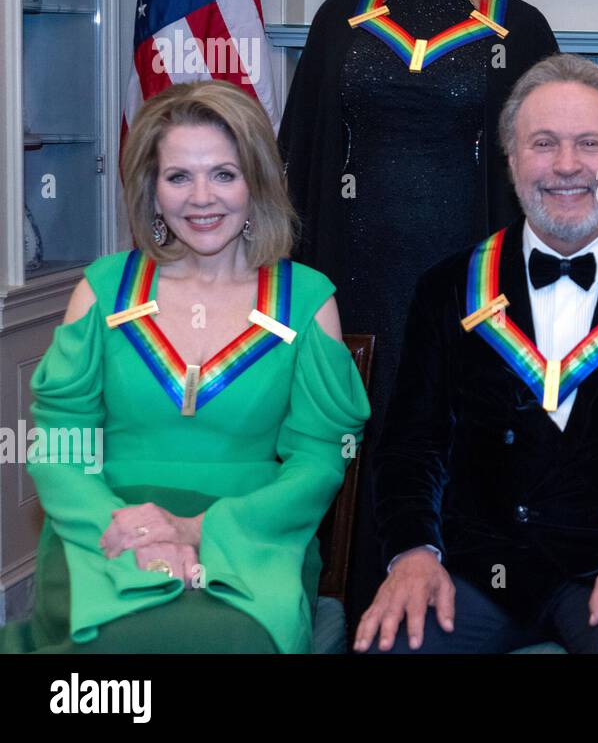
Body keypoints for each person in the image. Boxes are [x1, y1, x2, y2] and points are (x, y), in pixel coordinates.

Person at [355, 55, 598, 655]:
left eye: (589, 144)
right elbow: (411, 444)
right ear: (511, 160)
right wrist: (412, 551)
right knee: (392, 647)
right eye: (543, 144)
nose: (566, 166)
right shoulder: (450, 286)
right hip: (478, 569)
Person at [278, 0, 559, 616]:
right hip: (352, 276)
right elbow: (299, 158)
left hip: (468, 278)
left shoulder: (518, 29)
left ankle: (454, 614)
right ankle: (353, 604)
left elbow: (549, 174)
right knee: (355, 438)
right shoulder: (343, 21)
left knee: (457, 436)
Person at [1, 82, 368, 654]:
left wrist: (200, 531)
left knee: (226, 641)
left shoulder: (307, 299)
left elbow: (319, 463)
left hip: (253, 539)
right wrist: (133, 529)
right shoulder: (101, 290)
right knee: (111, 644)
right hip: (106, 530)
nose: (202, 198)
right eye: (179, 177)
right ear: (152, 189)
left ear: (258, 183)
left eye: (224, 174)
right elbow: (58, 448)